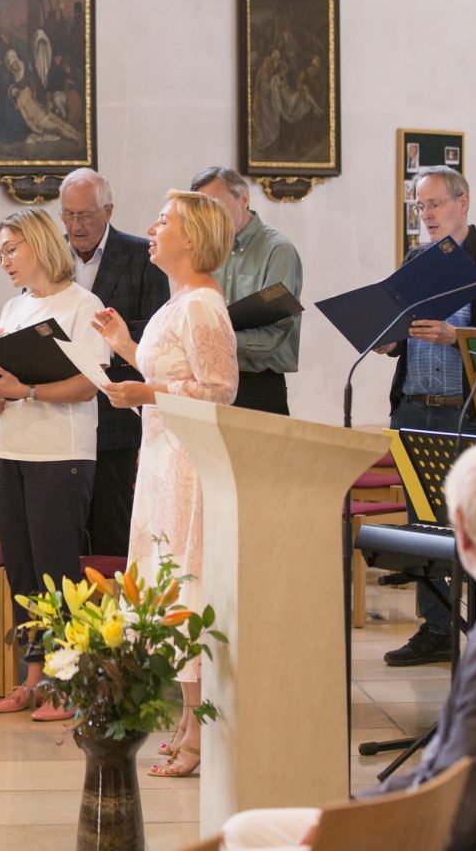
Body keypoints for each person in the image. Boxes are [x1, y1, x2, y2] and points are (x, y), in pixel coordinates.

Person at [220, 441, 476, 851]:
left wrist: (352, 824)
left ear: (461, 530)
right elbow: (452, 770)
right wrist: (354, 808)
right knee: (246, 829)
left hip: (445, 833)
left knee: (246, 836)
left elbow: (453, 810)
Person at [94, 189, 238, 777]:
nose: (151, 228)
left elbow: (220, 391)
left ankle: (200, 733)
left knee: (187, 588)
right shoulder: (179, 302)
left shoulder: (203, 304)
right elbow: (171, 375)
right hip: (163, 457)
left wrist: (143, 391)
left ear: (193, 237)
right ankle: (185, 720)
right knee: (167, 585)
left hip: (189, 464)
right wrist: (125, 349)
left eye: (164, 221)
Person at [383, 166, 476, 667]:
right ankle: (437, 628)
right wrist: (388, 337)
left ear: (463, 203)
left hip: (471, 413)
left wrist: (457, 338)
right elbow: (401, 329)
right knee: (425, 522)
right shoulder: (417, 258)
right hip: (415, 404)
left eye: (436, 204)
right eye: (420, 207)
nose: (427, 215)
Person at [0, 209, 110, 720]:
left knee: (57, 575)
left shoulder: (83, 305)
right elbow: (3, 382)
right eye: (0, 253)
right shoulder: (13, 307)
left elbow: (88, 383)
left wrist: (25, 391)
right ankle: (32, 681)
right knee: (23, 574)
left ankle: (66, 683)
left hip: (60, 455)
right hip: (6, 450)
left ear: (37, 244)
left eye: (11, 249)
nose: (4, 261)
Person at [59, 168, 169, 557]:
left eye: (85, 215)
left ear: (108, 211)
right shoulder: (51, 254)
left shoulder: (141, 255)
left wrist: (107, 341)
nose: (76, 225)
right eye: (68, 215)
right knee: (66, 530)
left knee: (110, 525)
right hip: (61, 413)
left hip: (114, 411)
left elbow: (155, 332)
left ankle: (117, 615)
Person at [190, 166, 303, 415]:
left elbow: (276, 333)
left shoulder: (277, 249)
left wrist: (213, 341)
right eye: (204, 209)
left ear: (244, 199)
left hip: (258, 387)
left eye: (218, 206)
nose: (212, 217)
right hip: (209, 381)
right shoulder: (205, 249)